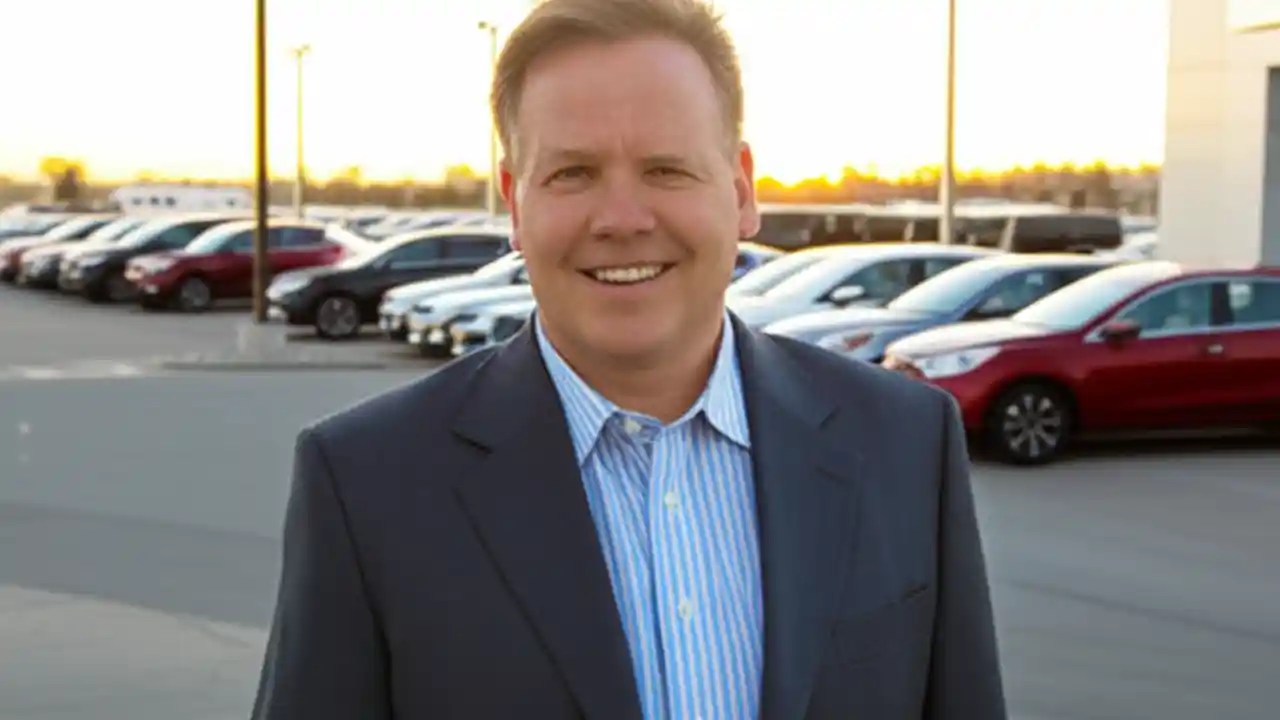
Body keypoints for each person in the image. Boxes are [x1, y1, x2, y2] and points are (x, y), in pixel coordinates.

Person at [250, 0, 1006, 718]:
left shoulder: (906, 443)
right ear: (515, 204)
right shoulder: (366, 482)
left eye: (666, 170)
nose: (621, 219)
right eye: (572, 174)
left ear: (741, 189)